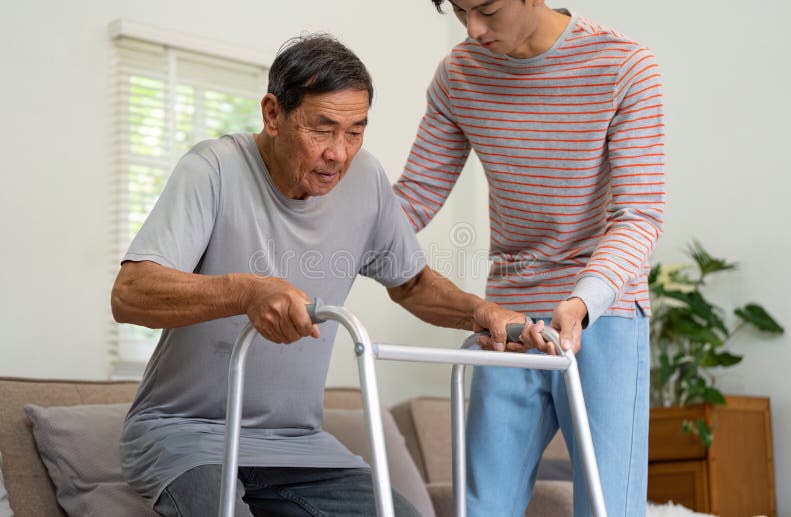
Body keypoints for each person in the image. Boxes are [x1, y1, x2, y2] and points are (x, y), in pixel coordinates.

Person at [111, 34, 525, 517]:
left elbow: (411, 283)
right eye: (322, 129)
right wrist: (246, 290)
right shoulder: (213, 169)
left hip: (298, 444)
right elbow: (130, 293)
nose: (339, 153)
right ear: (272, 114)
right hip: (185, 434)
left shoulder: (366, 181)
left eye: (355, 131)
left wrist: (481, 311)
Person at [392, 0, 665, 515]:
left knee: (607, 506)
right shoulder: (460, 75)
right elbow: (415, 196)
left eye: (488, 11)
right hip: (509, 323)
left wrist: (583, 302)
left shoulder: (624, 66)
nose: (472, 29)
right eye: (460, 12)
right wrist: (327, 242)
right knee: (485, 504)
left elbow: (640, 215)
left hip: (602, 313)